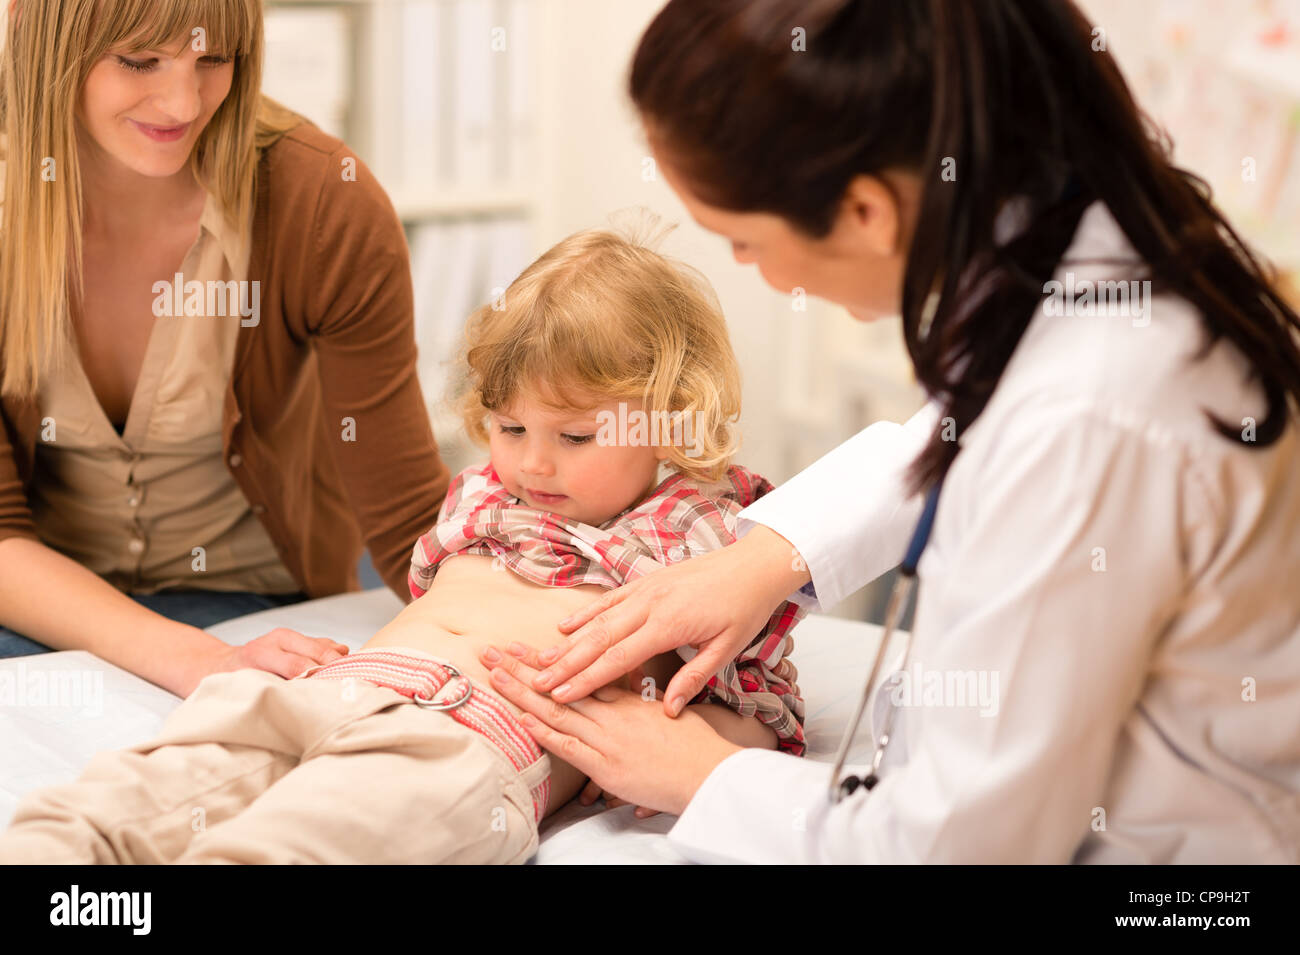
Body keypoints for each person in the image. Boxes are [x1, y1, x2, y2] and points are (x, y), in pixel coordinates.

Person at [477, 0, 1300, 863]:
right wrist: (771, 555)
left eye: (744, 242)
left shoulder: (1091, 410)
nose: (747, 269)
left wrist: (699, 773)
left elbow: (954, 848)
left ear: (868, 211)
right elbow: (965, 434)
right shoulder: (1069, 252)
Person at [0, 223, 806, 864]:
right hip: (332, 690)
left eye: (577, 435)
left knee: (295, 847)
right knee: (115, 804)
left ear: (671, 420)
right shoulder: (490, 491)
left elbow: (765, 708)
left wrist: (689, 755)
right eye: (510, 425)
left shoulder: (710, 532)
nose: (531, 459)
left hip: (471, 741)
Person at [0, 0, 450, 697]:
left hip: (250, 604)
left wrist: (557, 647)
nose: (184, 101)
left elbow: (412, 527)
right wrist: (195, 661)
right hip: (41, 604)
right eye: (139, 59)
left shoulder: (324, 201)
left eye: (214, 58)